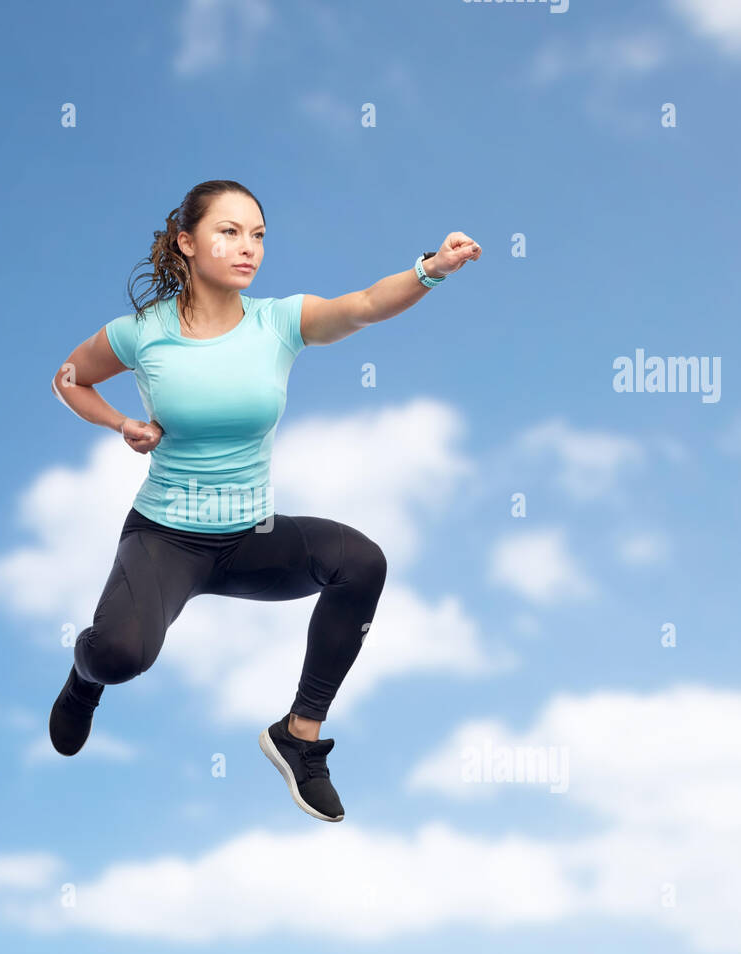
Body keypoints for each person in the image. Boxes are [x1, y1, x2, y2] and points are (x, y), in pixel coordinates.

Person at [48, 179, 480, 821]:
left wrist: (432, 269)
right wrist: (120, 424)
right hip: (167, 538)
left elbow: (362, 304)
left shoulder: (279, 322)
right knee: (117, 656)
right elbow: (69, 378)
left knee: (361, 562)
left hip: (254, 538)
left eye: (258, 235)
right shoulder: (140, 334)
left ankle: (299, 737)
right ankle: (84, 682)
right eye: (229, 232)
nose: (248, 248)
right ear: (186, 243)